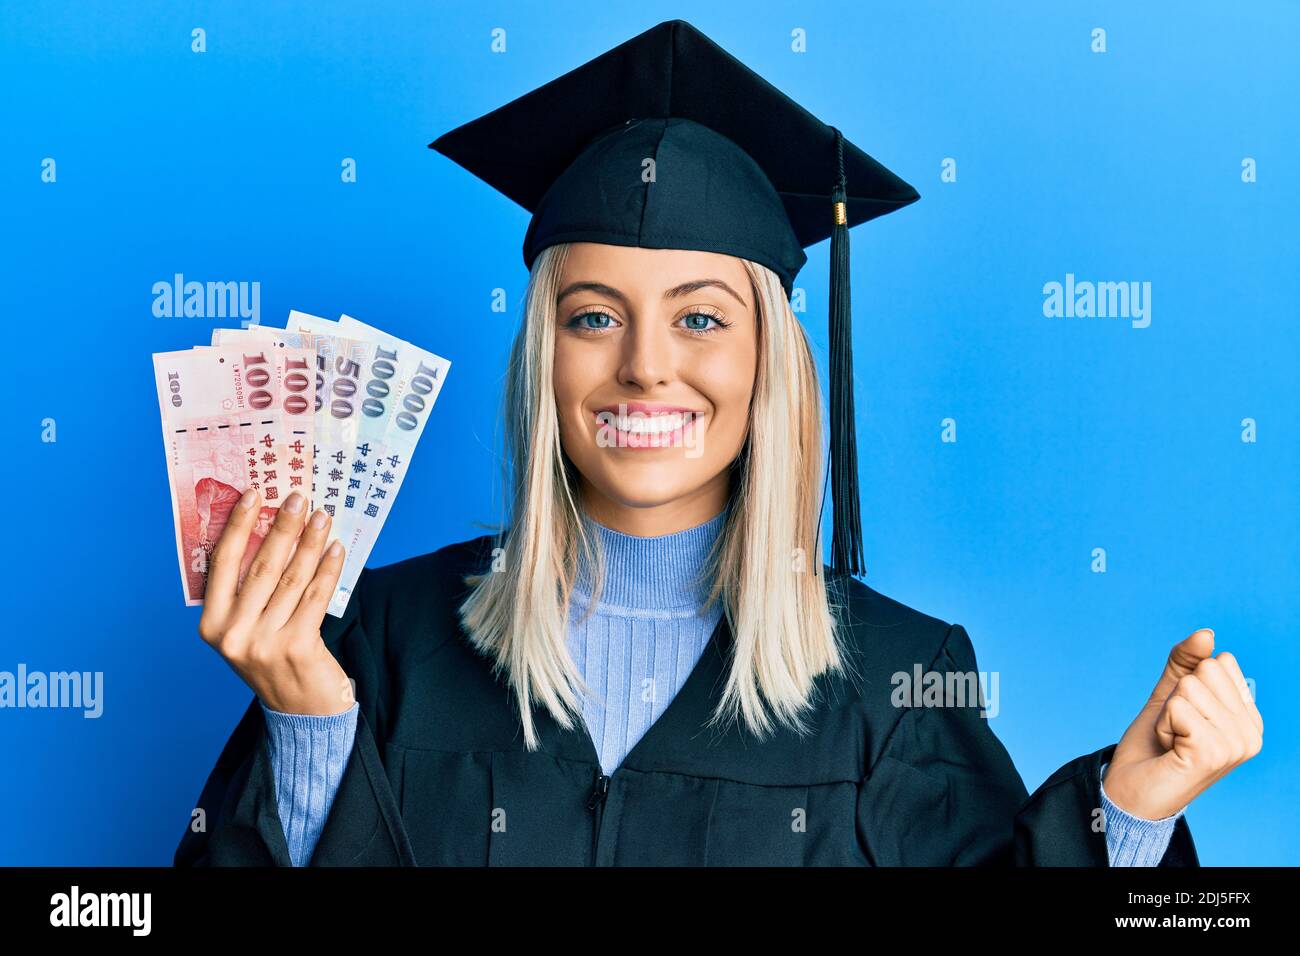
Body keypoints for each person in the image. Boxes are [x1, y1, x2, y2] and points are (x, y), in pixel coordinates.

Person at [174, 20, 1261, 867]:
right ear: (541, 358)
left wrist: (1125, 813)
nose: (645, 364)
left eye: (701, 317)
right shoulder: (378, 640)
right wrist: (310, 724)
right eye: (592, 315)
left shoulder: (897, 677)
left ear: (769, 361)